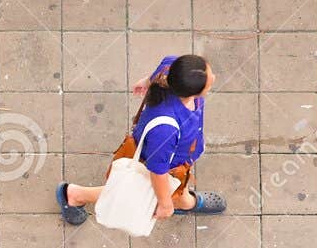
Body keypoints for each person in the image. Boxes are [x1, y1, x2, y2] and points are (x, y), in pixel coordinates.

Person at [58, 53, 226, 225]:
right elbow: (158, 172)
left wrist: (147, 81)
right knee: (131, 193)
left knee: (159, 189)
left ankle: (183, 201)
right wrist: (165, 205)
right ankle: (74, 195)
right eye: (208, 84)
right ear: (192, 93)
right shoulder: (165, 131)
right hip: (162, 163)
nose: (213, 77)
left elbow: (162, 67)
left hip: (172, 158)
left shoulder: (171, 69)